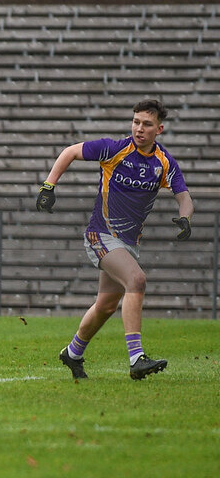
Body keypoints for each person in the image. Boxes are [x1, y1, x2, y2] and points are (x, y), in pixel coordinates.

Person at [37, 99, 192, 381]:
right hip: (101, 235)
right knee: (137, 280)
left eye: (146, 124)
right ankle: (136, 358)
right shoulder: (115, 148)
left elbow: (184, 196)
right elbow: (70, 152)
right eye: (136, 122)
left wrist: (185, 218)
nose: (139, 128)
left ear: (160, 128)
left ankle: (72, 353)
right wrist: (49, 186)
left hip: (128, 244)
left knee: (106, 305)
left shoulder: (164, 162)